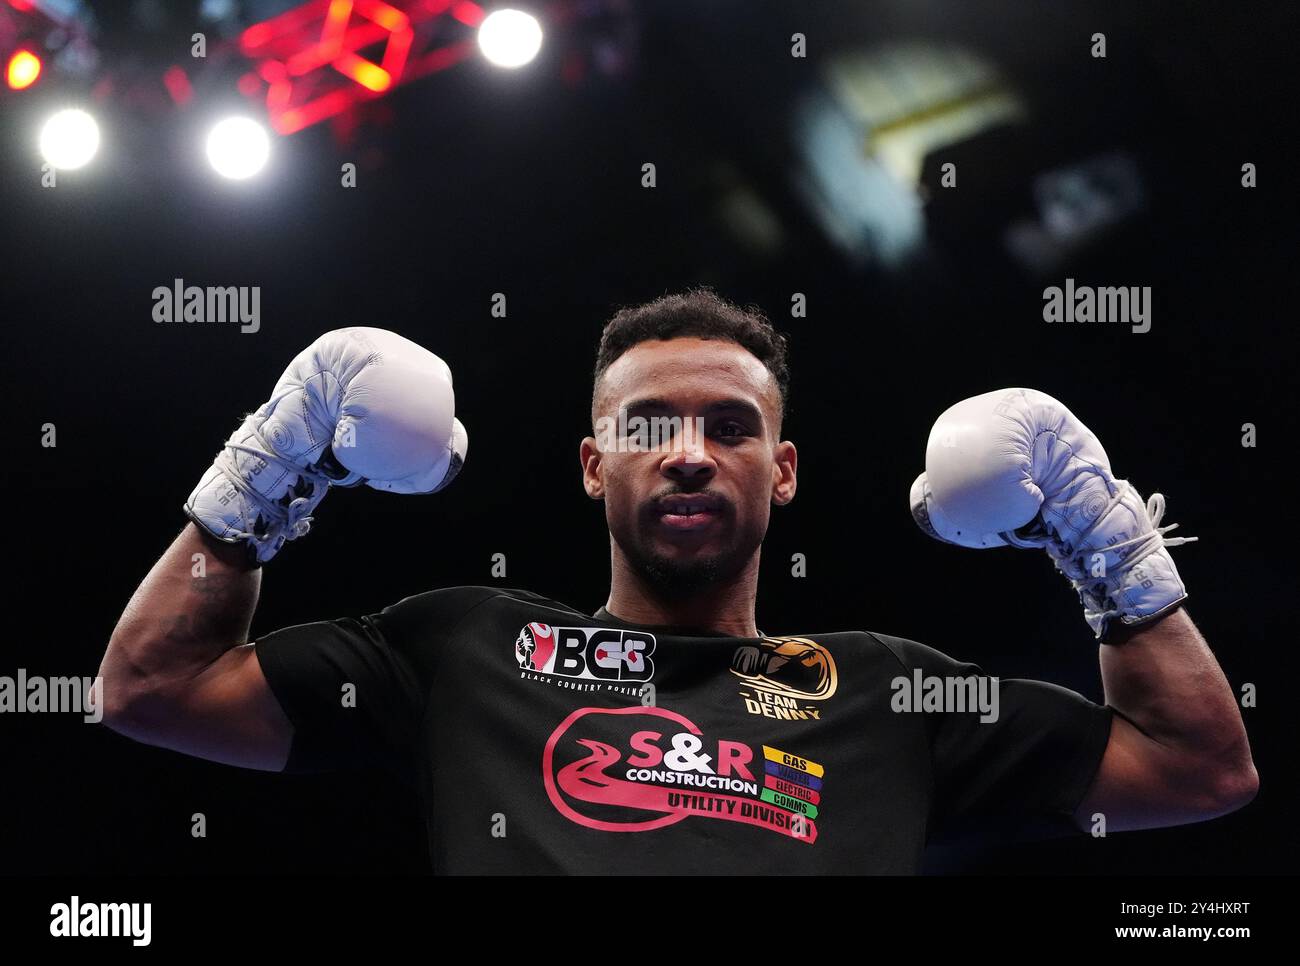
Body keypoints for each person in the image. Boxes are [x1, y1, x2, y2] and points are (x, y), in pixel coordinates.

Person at [96, 289, 1258, 873]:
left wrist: (1104, 540)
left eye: (731, 427)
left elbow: (1200, 766)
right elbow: (150, 689)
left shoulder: (892, 694)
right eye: (649, 426)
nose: (690, 450)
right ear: (594, 466)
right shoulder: (459, 649)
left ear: (782, 471)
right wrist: (272, 456)